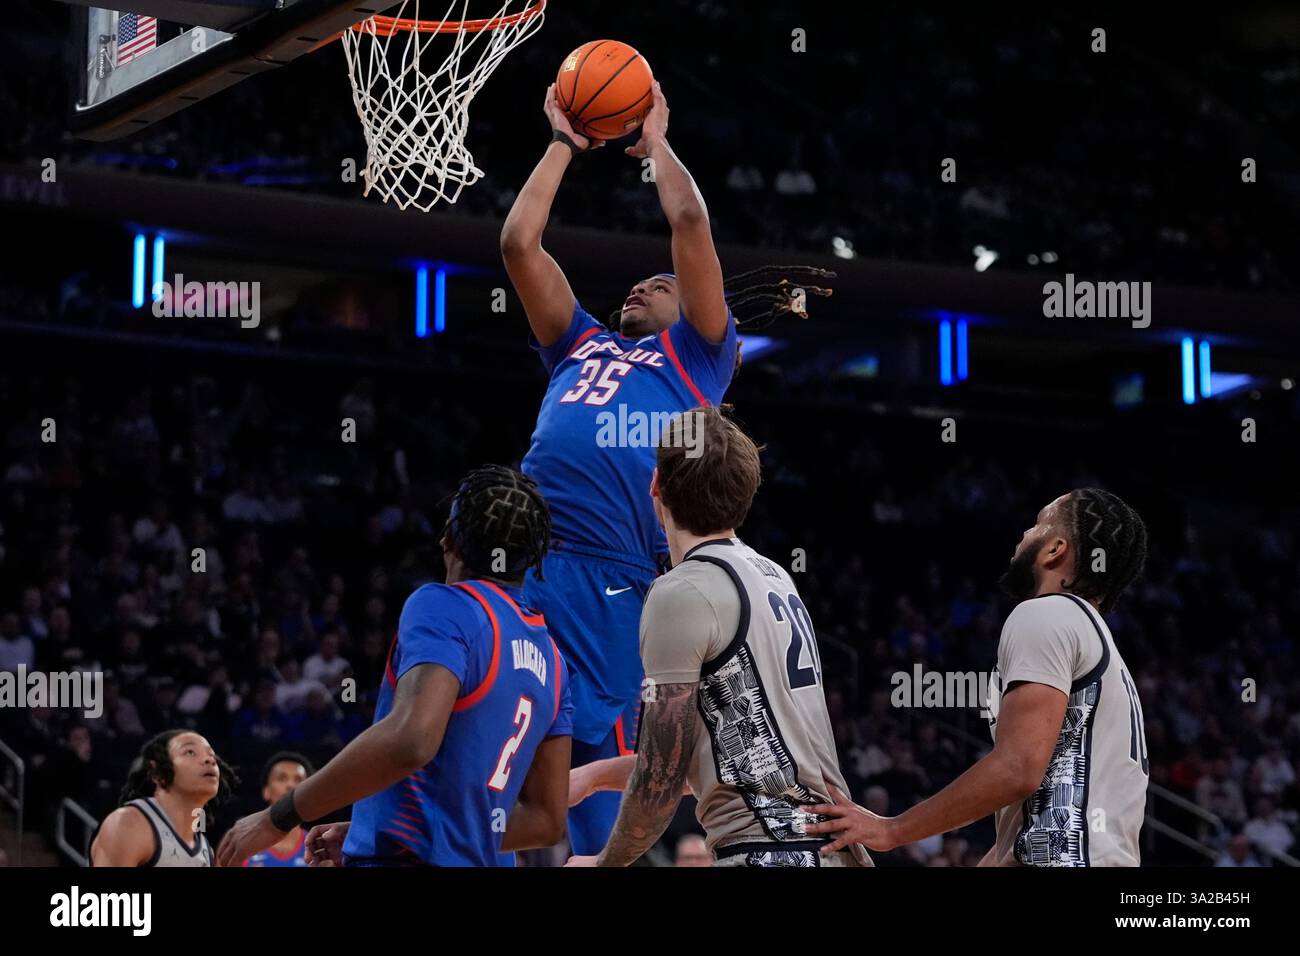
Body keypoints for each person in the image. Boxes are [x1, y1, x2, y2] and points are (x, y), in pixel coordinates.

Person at [216, 466, 572, 867]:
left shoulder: (446, 605)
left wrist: (278, 817)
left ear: (448, 540)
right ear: (532, 559)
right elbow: (546, 820)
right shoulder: (554, 661)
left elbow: (411, 741)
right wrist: (378, 822)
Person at [566, 408, 868, 867]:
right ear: (745, 495)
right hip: (829, 851)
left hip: (767, 850)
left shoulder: (681, 591)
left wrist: (604, 862)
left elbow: (660, 776)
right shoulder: (775, 576)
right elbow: (733, 754)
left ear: (656, 485)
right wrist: (591, 777)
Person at [808, 489, 1151, 867]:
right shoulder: (1104, 651)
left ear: (1056, 549)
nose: (1024, 533)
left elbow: (1018, 768)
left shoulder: (1047, 614)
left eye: (1038, 523)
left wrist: (892, 830)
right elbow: (1032, 820)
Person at [90, 730, 236, 867]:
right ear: (158, 773)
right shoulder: (128, 823)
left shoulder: (206, 852)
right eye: (190, 752)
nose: (209, 760)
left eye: (212, 755)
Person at [240, 752, 315, 867]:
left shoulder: (317, 848)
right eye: (282, 779)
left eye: (298, 780)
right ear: (266, 791)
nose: (290, 785)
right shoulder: (242, 845)